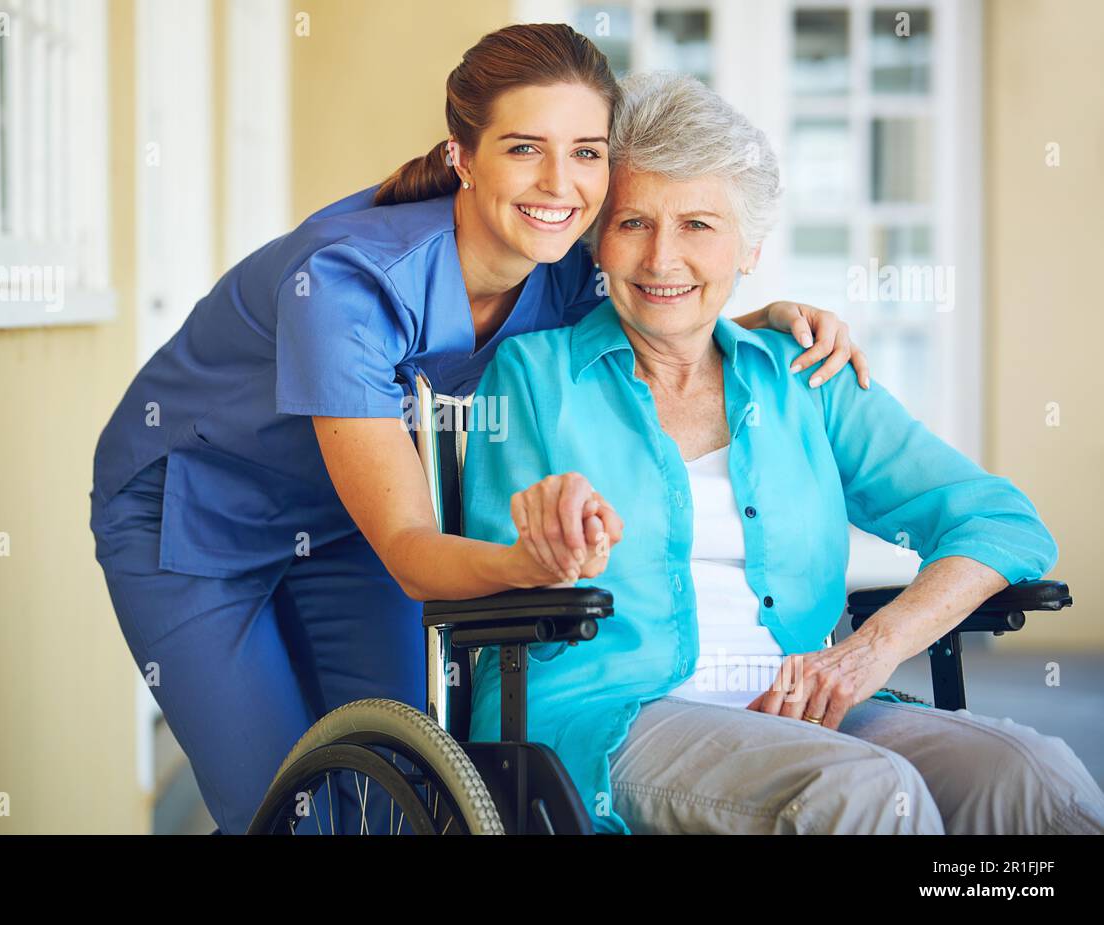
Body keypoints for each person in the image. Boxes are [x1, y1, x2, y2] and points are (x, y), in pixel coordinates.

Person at [90, 24, 867, 835]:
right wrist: (523, 563)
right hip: (193, 520)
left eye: (588, 152)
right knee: (292, 812)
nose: (560, 183)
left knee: (404, 787)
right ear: (462, 155)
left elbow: (663, 304)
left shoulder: (565, 266)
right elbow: (409, 547)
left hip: (343, 521)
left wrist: (768, 319)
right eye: (525, 148)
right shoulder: (349, 284)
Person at [462, 72, 1104, 835]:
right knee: (868, 793)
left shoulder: (804, 376)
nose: (662, 258)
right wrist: (551, 536)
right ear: (600, 237)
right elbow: (500, 561)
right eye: (634, 222)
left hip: (803, 708)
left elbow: (1001, 522)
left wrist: (871, 650)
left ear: (752, 246)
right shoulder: (534, 377)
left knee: (1037, 780)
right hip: (609, 720)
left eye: (699, 224)